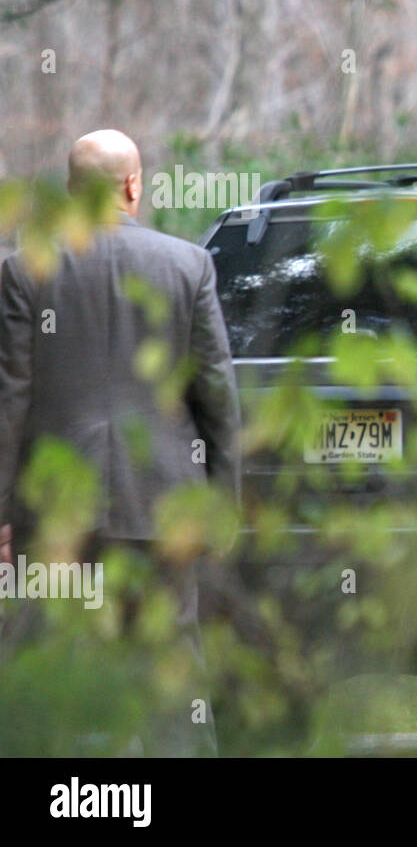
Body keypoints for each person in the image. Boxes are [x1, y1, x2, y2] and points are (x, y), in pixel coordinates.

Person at [0, 129, 241, 755]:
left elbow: (9, 399)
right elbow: (216, 396)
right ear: (134, 186)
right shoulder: (188, 265)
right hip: (160, 508)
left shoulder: (23, 268)